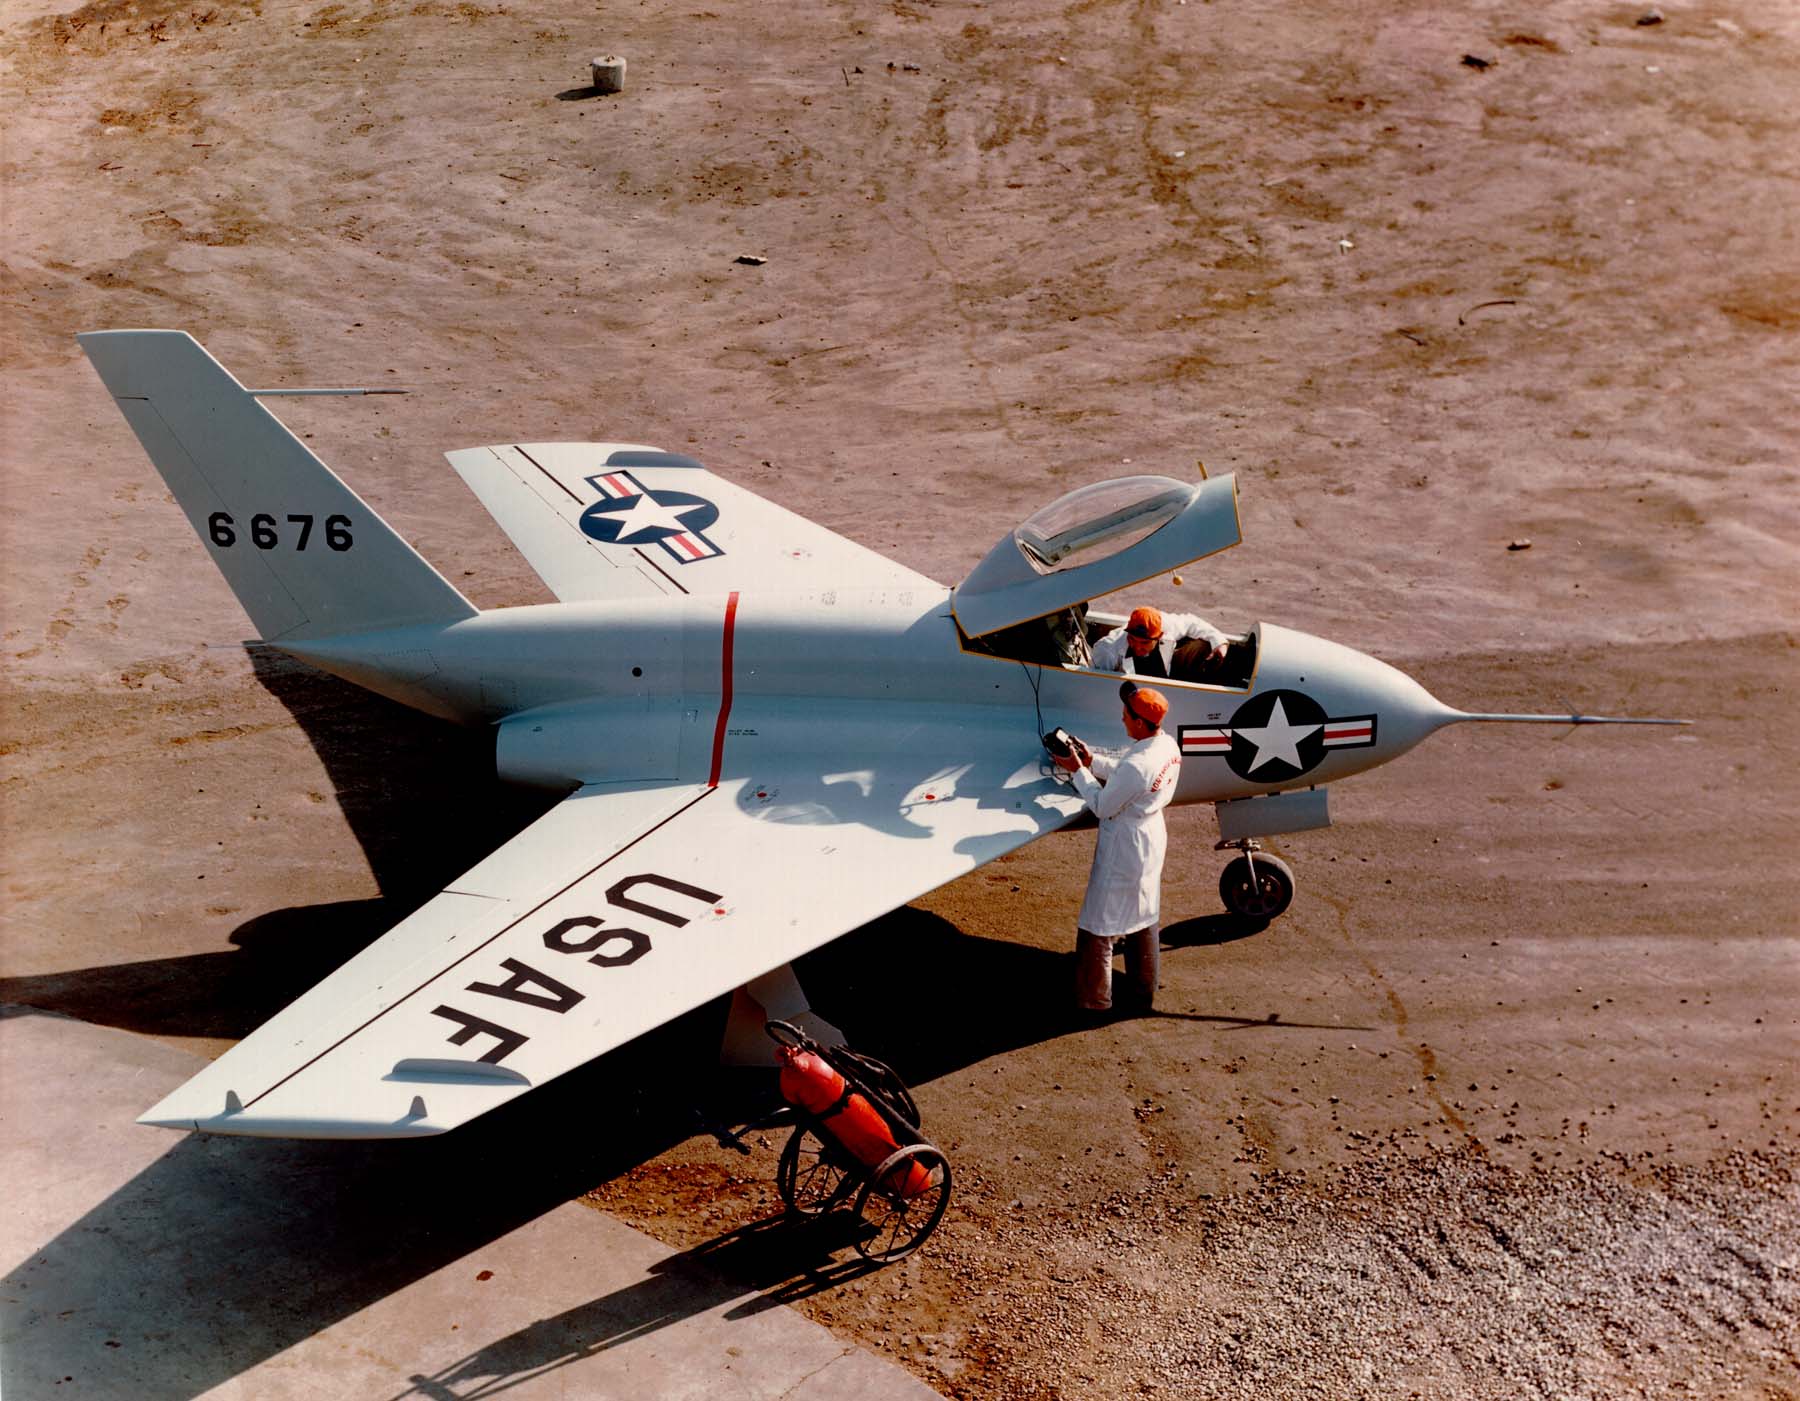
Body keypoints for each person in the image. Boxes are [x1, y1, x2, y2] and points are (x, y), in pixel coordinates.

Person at [1050, 681, 1183, 1013]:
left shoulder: (1139, 765)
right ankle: (1143, 988)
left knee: (1099, 923)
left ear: (1140, 722)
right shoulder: (1166, 745)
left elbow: (1102, 805)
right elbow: (1126, 773)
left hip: (1125, 845)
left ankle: (1094, 1002)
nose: (1122, 719)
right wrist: (1093, 760)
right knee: (1144, 911)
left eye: (1126, 715)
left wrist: (1077, 770)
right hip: (1150, 836)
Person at [1090, 605, 1226, 679]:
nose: (1137, 647)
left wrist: (1220, 643)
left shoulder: (1166, 624)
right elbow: (1095, 684)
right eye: (1132, 639)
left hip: (1165, 679)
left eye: (1144, 643)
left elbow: (1192, 623)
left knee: (1204, 645)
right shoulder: (1107, 650)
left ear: (1159, 636)